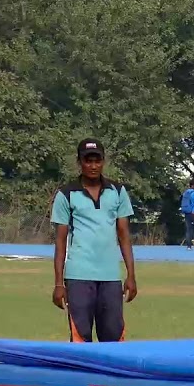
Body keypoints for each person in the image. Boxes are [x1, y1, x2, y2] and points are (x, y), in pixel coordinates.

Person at [51, 139, 138, 343]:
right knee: (80, 340)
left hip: (110, 277)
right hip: (78, 276)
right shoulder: (66, 194)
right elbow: (61, 242)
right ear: (79, 162)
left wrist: (131, 275)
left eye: (97, 161)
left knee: (114, 340)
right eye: (87, 161)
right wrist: (58, 283)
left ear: (103, 161)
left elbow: (124, 236)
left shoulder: (117, 191)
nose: (93, 166)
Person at [180, 179, 194, 250]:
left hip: (187, 212)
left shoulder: (185, 193)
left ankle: (188, 246)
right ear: (193, 185)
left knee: (188, 229)